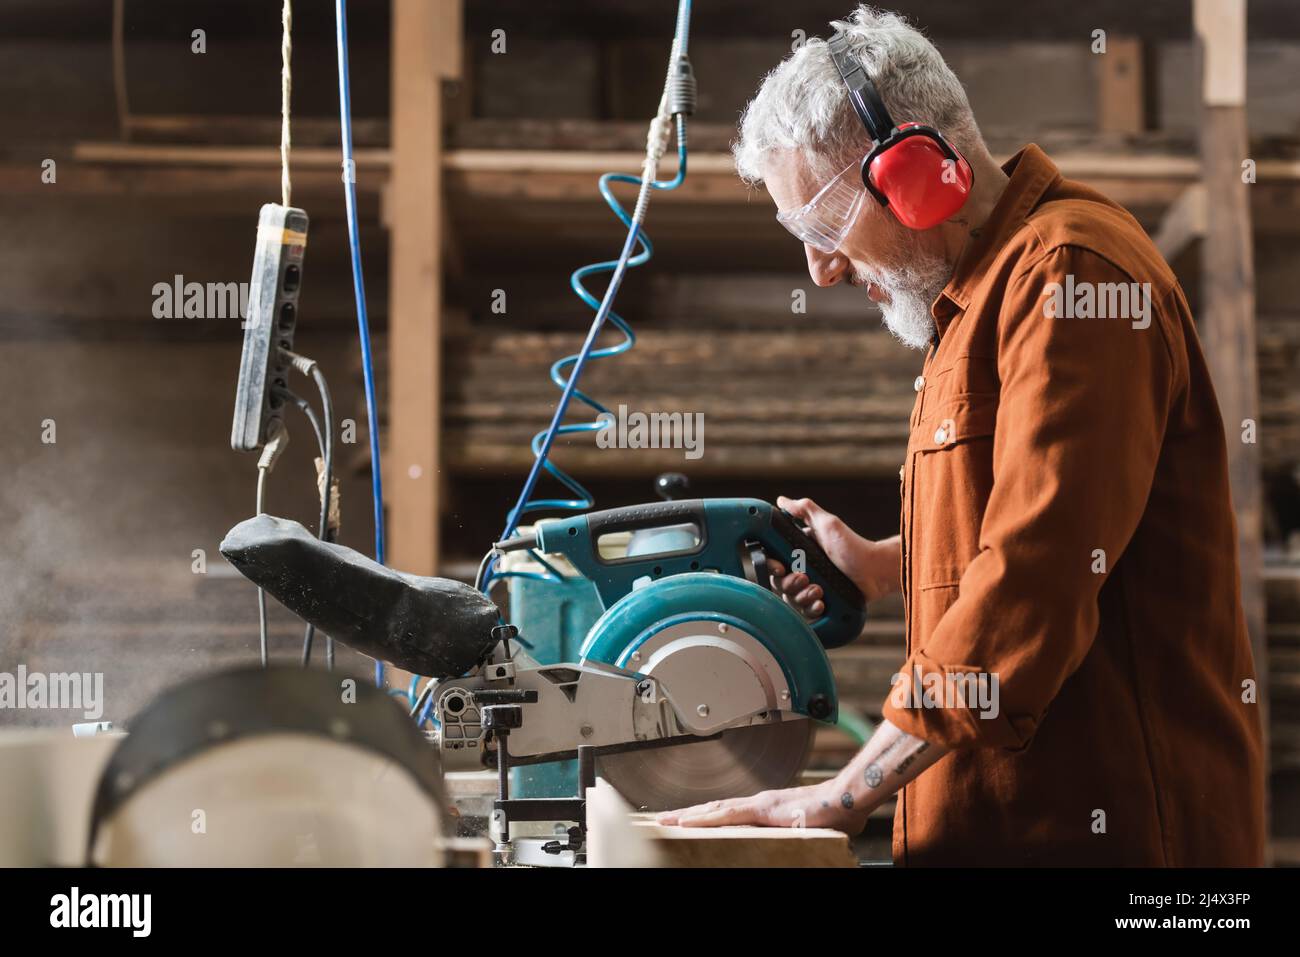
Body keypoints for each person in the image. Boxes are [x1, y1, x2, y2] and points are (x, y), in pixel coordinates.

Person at [656, 5, 1265, 866]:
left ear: (914, 172)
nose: (821, 268)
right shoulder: (975, 303)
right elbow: (1059, 520)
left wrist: (839, 798)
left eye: (823, 228)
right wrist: (883, 564)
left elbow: (1038, 574)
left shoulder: (1072, 278)